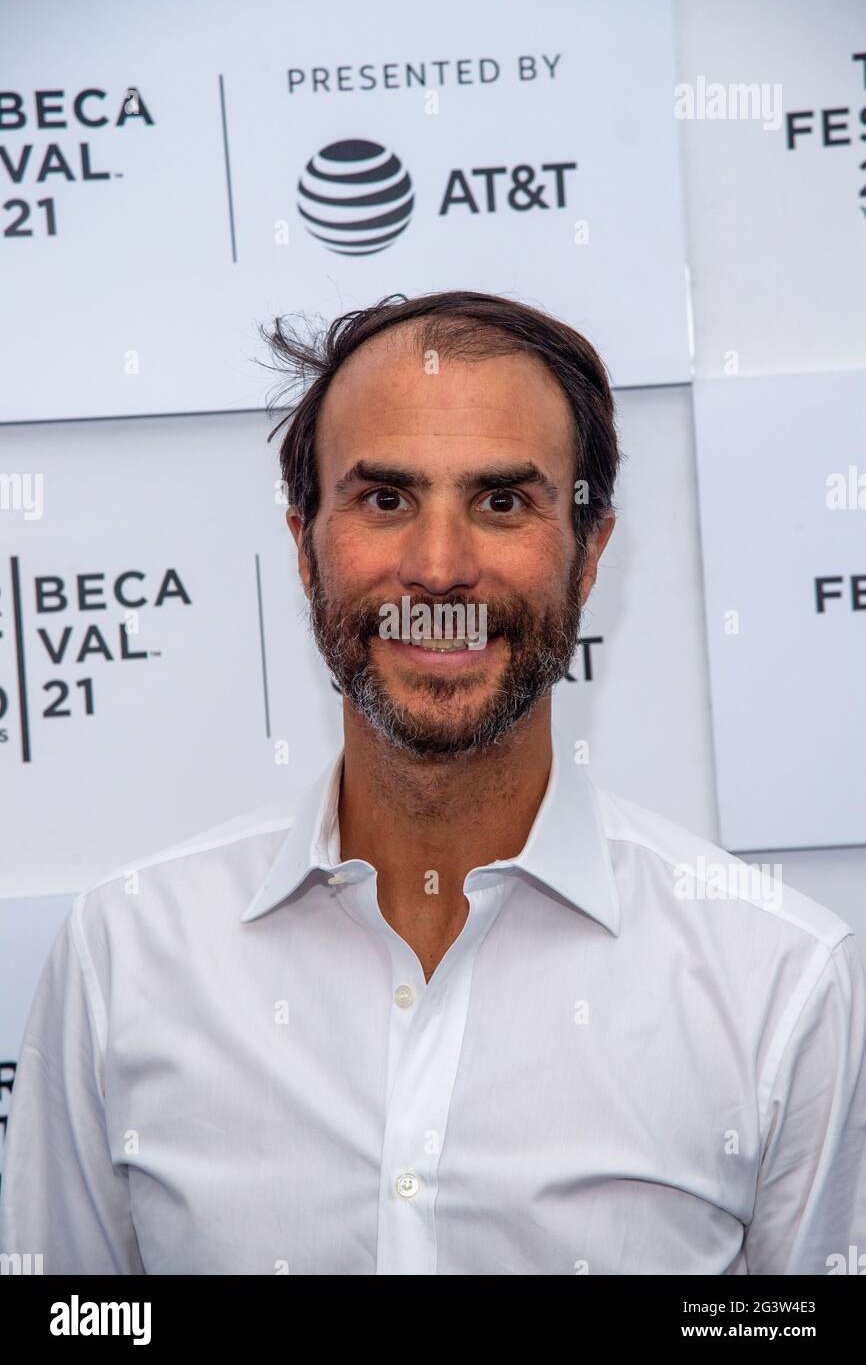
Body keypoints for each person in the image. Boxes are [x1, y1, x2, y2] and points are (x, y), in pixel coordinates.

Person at [1, 291, 864, 1275]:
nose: (439, 568)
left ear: (587, 558)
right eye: (384, 500)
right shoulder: (125, 957)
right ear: (302, 544)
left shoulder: (775, 986)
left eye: (501, 502)